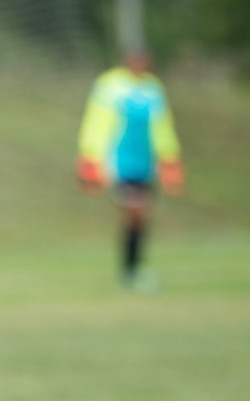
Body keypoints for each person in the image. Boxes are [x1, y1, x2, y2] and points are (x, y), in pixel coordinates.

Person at [76, 47, 184, 291]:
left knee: (141, 216)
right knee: (134, 210)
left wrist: (169, 158)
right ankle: (130, 271)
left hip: (144, 160)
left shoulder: (153, 88)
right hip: (118, 159)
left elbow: (162, 126)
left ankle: (132, 269)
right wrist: (90, 157)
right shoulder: (110, 85)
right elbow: (96, 121)